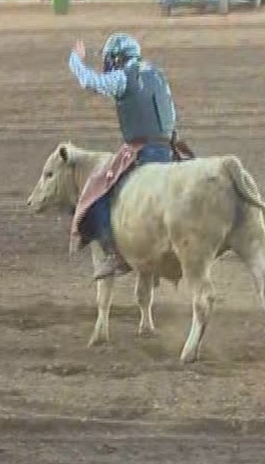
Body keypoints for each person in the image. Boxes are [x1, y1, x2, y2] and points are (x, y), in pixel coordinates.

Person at [66, 32, 186, 280]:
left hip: (143, 151)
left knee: (99, 194)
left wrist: (75, 61)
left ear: (118, 58)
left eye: (110, 58)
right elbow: (171, 114)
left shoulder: (124, 78)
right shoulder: (157, 75)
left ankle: (115, 253)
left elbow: (91, 82)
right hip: (169, 148)